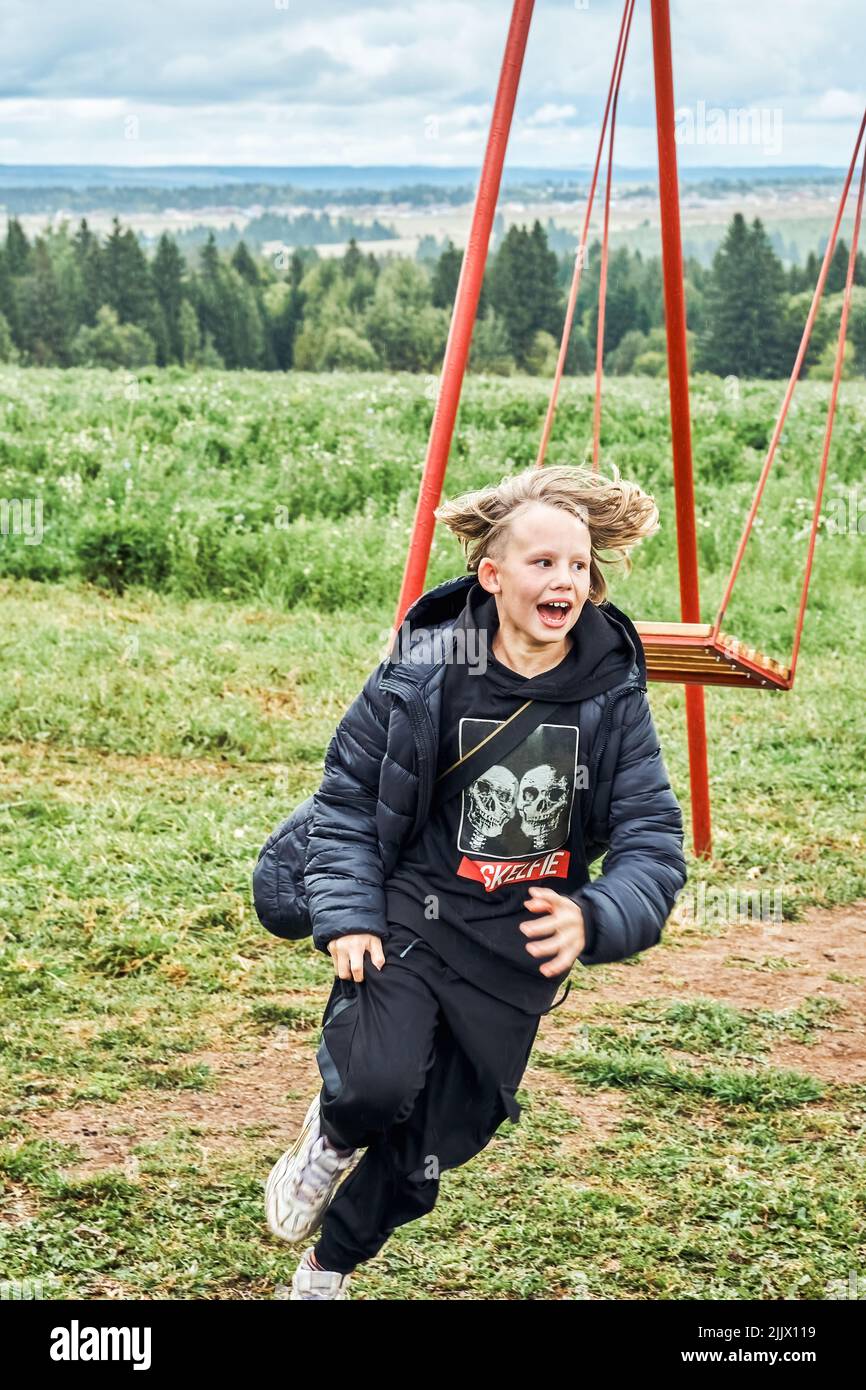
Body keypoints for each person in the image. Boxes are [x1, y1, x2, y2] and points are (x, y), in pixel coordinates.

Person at [264, 462, 688, 1300]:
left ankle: (329, 1264)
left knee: (435, 1146)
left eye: (577, 565)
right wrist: (350, 914)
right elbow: (347, 799)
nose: (564, 578)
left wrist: (595, 915)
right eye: (542, 563)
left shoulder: (611, 694)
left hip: (513, 951)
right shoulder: (425, 670)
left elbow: (653, 840)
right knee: (377, 1085)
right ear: (492, 577)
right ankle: (332, 1133)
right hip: (409, 923)